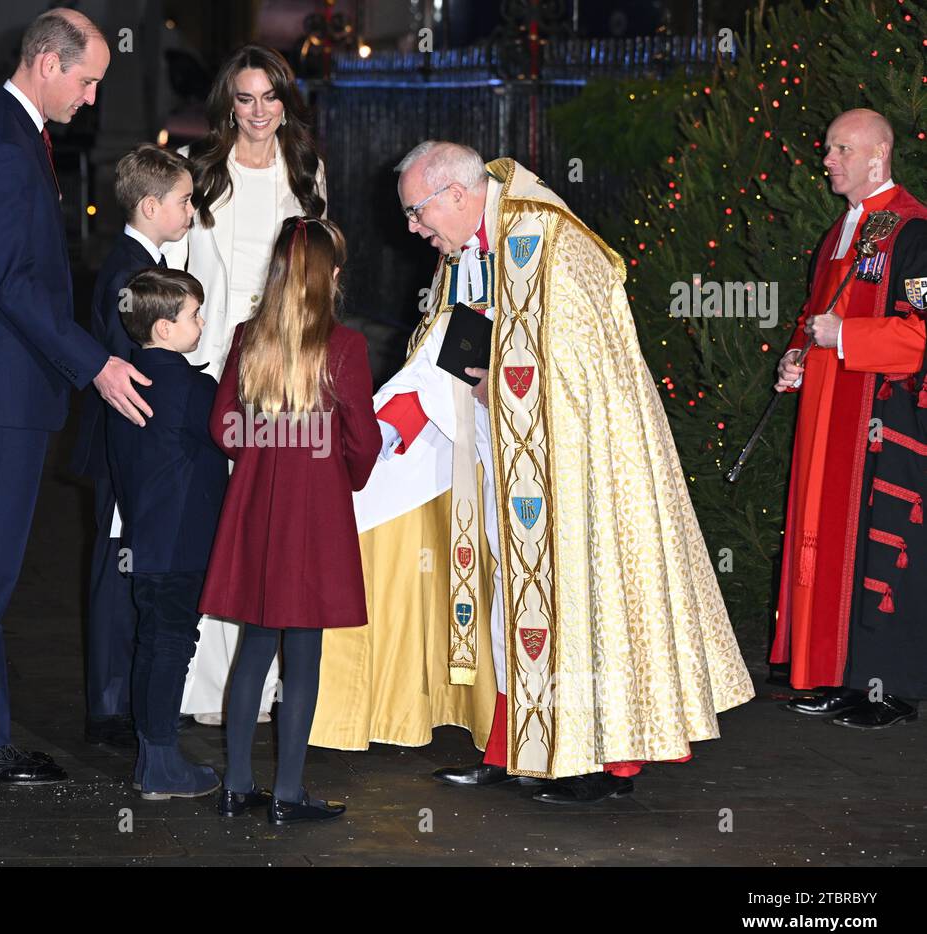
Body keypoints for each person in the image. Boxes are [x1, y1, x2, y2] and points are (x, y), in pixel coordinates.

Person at [308, 141, 755, 804]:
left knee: (576, 597)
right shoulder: (469, 251)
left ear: (454, 195)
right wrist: (393, 420)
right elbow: (445, 347)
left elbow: (584, 367)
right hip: (503, 457)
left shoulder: (553, 241)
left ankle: (594, 761)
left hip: (574, 468)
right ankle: (511, 744)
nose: (412, 228)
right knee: (512, 605)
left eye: (416, 212)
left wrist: (510, 388)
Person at [0, 10, 149, 784]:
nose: (90, 99)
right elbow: (12, 283)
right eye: (87, 81)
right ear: (48, 64)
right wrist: (96, 366)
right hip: (1, 393)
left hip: (6, 388)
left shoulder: (13, 137)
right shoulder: (5, 143)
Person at [162, 44, 327, 725]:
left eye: (269, 97)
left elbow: (316, 273)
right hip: (212, 364)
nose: (258, 112)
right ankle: (211, 690)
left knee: (269, 524)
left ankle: (261, 686)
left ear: (286, 101)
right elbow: (172, 269)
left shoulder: (307, 171)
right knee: (217, 523)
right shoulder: (201, 173)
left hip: (283, 372)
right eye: (245, 98)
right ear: (227, 104)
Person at [202, 217, 377, 824]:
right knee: (304, 654)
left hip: (256, 507)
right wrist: (343, 474)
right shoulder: (345, 346)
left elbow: (222, 423)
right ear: (327, 277)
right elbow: (363, 437)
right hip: (317, 510)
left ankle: (236, 785)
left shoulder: (249, 337)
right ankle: (289, 793)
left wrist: (258, 455)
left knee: (254, 646)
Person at [772, 108, 927, 729]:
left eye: (840, 149)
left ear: (877, 156)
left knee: (876, 549)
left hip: (883, 420)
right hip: (827, 414)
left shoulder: (914, 231)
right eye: (829, 147)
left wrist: (846, 338)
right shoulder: (845, 230)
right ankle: (836, 673)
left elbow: (920, 333)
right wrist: (798, 354)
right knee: (829, 545)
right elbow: (817, 315)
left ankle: (889, 690)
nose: (827, 160)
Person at [70, 145, 195, 747]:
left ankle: (115, 700)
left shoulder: (133, 261)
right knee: (118, 572)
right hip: (129, 448)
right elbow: (132, 368)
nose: (192, 211)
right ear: (150, 206)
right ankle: (110, 706)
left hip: (130, 446)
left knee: (121, 568)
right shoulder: (129, 273)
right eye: (183, 201)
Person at [106, 269, 227, 799]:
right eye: (193, 315)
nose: (201, 322)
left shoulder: (123, 381)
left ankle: (152, 756)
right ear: (161, 327)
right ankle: (159, 763)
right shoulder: (191, 387)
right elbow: (236, 437)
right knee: (174, 642)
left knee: (154, 641)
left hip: (143, 538)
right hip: (182, 541)